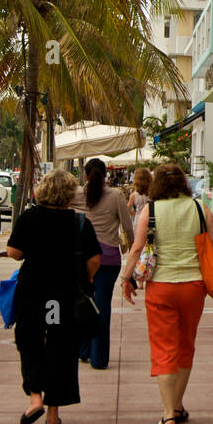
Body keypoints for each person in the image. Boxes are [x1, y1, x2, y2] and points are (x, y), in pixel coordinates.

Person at [120, 163, 213, 424]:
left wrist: (126, 278)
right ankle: (177, 404)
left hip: (160, 287)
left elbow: (137, 248)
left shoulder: (150, 211)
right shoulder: (199, 208)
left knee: (164, 346)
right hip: (193, 287)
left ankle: (167, 415)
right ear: (184, 183)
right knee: (186, 344)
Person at [7, 170, 101, 424]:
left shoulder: (29, 217)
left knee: (30, 341)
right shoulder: (79, 222)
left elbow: (14, 252)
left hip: (32, 294)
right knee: (60, 346)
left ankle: (35, 397)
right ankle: (53, 412)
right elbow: (94, 260)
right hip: (62, 297)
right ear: (69, 194)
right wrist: (87, 279)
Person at [72, 158, 134, 369]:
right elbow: (127, 226)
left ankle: (83, 348)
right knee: (102, 306)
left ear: (86, 175)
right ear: (106, 174)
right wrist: (131, 248)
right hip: (108, 259)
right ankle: (99, 358)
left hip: (82, 259)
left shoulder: (77, 194)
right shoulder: (116, 196)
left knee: (82, 301)